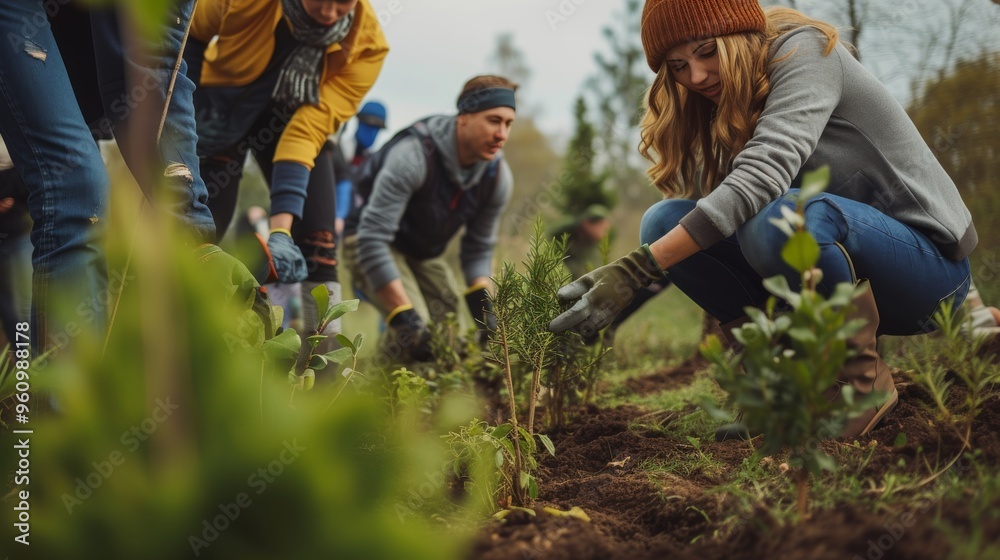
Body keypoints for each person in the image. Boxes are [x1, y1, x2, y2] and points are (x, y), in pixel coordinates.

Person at [549, 1, 976, 440]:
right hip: (844, 270)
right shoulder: (726, 98)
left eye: (707, 51)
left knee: (778, 213)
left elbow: (763, 175)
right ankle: (776, 388)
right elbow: (714, 215)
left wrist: (636, 269)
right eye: (678, 66)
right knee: (663, 220)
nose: (695, 77)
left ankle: (857, 385)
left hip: (927, 276)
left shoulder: (806, 53)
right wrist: (643, 268)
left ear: (737, 34)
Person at [186, 0, 389, 357]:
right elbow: (191, 30)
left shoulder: (368, 47)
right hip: (222, 105)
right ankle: (187, 355)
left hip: (296, 117)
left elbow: (306, 132)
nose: (328, 12)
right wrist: (191, 110)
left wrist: (280, 230)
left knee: (320, 242)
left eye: (342, 2)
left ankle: (321, 371)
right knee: (201, 228)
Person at [342, 75, 516, 363]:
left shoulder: (496, 177)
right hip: (367, 239)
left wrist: (486, 313)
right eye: (493, 120)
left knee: (451, 330)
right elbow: (373, 238)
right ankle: (371, 395)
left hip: (421, 252)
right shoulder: (414, 156)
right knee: (417, 329)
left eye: (508, 123)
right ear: (464, 117)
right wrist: (404, 316)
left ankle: (406, 389)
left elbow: (478, 249)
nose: (502, 135)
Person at [548, 204, 666, 348]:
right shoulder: (567, 230)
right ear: (587, 224)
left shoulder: (605, 239)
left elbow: (600, 261)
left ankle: (601, 337)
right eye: (601, 225)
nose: (606, 229)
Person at [333, 100, 388, 239]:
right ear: (359, 122)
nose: (372, 132)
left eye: (376, 128)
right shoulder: (339, 152)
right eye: (369, 126)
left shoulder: (376, 164)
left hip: (354, 233)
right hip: (328, 220)